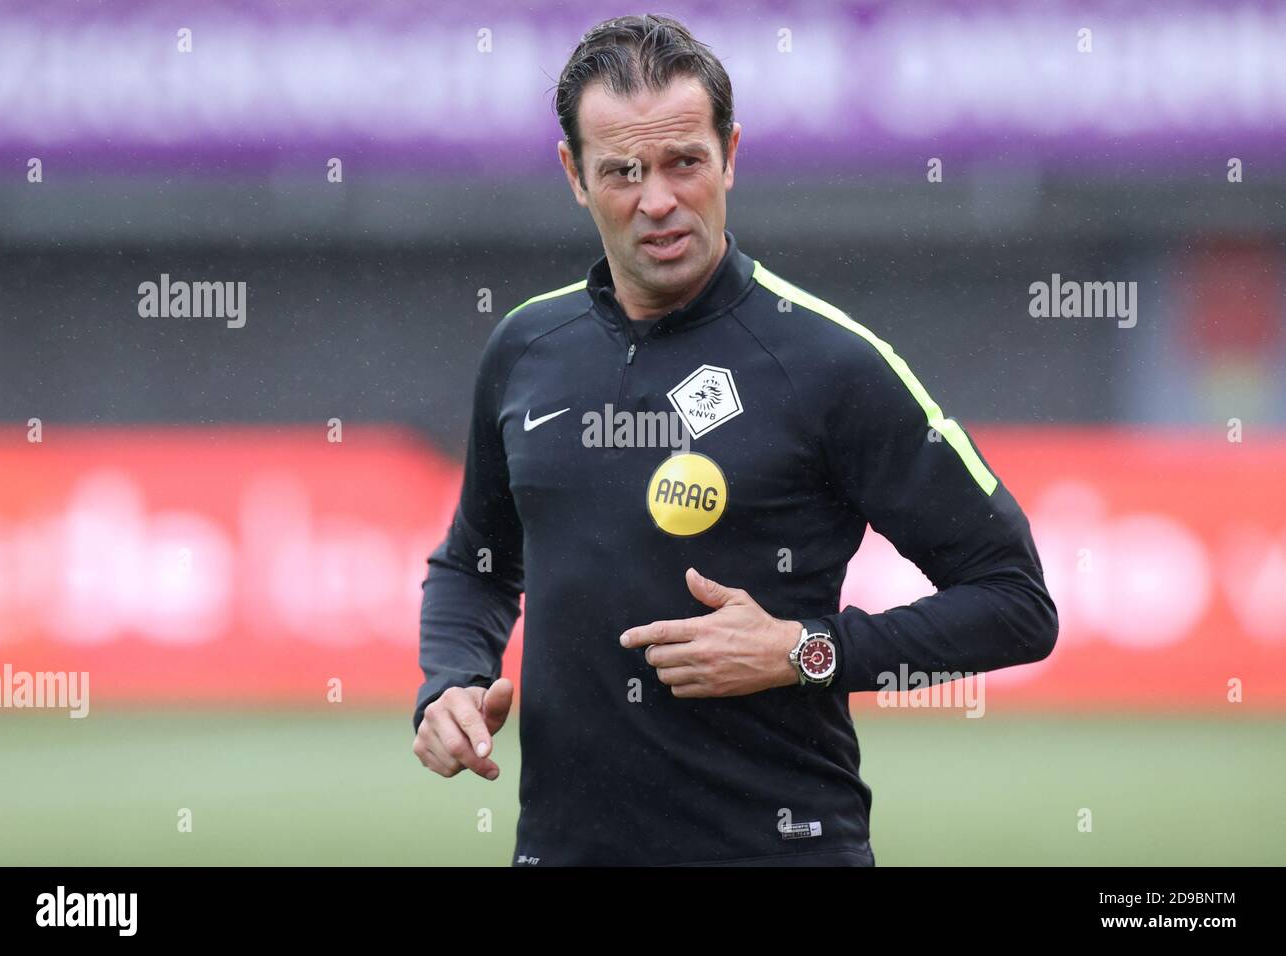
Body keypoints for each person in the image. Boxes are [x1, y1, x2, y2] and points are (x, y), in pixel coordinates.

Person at [410, 13, 1057, 867]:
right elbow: (473, 564)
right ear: (574, 174)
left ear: (731, 154)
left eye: (685, 162)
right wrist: (449, 682)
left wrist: (805, 649)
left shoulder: (828, 362)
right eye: (622, 171)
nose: (658, 201)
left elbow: (1016, 605)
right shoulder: (527, 349)